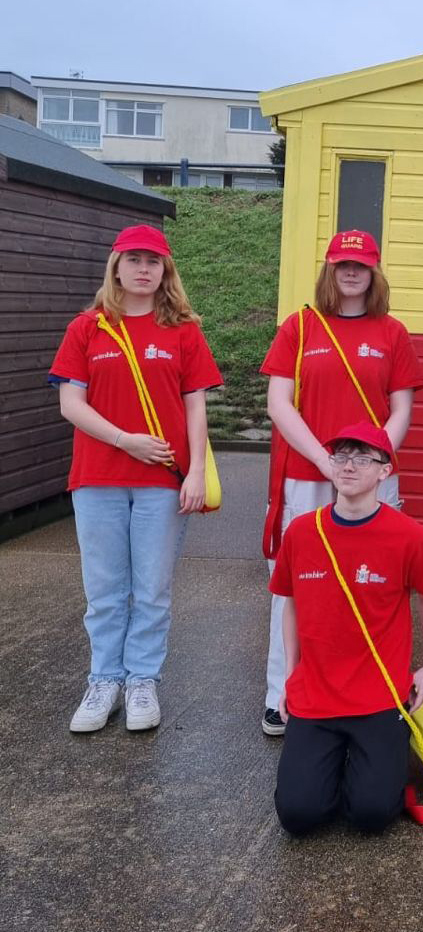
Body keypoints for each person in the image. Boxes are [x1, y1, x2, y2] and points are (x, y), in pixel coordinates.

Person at [49, 224, 222, 734]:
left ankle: (142, 680)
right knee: (104, 590)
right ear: (117, 267)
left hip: (162, 480)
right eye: (134, 260)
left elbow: (195, 407)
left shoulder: (183, 331)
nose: (143, 269)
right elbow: (70, 403)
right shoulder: (88, 328)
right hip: (98, 475)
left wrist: (194, 472)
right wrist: (126, 440)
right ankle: (104, 680)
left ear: (165, 271)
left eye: (153, 261)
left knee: (151, 589)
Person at [258, 229, 423, 737]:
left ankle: (372, 689)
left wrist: (372, 462)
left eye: (361, 265)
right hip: (308, 474)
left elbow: (401, 409)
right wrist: (324, 459)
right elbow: (279, 403)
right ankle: (283, 690)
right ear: (329, 270)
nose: (352, 272)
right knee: (297, 586)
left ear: (374, 273)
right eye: (343, 264)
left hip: (372, 478)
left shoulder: (392, 332)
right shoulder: (300, 327)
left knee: (375, 585)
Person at [271, 422, 423, 836]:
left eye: (363, 458)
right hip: (317, 695)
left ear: (385, 471)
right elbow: (290, 605)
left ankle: (372, 764)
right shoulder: (302, 532)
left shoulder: (408, 536)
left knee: (371, 814)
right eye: (341, 456)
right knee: (298, 815)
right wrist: (289, 676)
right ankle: (338, 764)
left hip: (379, 695)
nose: (348, 466)